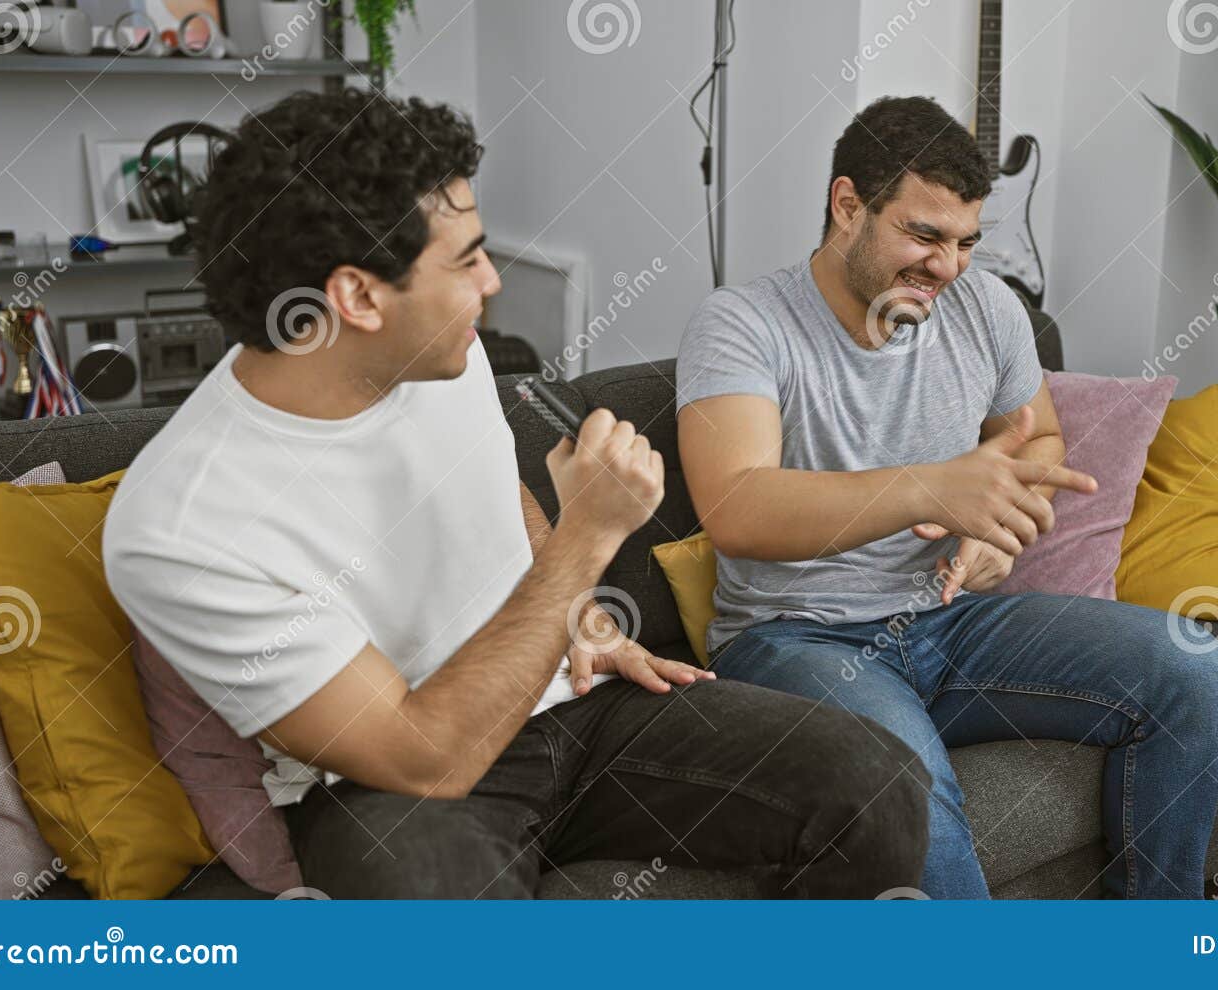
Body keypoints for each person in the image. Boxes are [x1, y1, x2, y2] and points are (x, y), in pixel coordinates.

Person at [103, 89, 930, 899]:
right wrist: (587, 540)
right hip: (393, 787)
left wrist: (590, 619)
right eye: (464, 261)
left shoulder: (443, 353)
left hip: (575, 704)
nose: (493, 281)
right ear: (356, 297)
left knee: (874, 782)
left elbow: (496, 492)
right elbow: (422, 755)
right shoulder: (179, 526)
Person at [675, 96, 1218, 899]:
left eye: (967, 242)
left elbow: (1036, 438)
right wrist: (929, 487)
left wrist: (999, 530)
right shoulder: (743, 325)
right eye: (924, 235)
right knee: (906, 783)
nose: (948, 267)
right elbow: (738, 508)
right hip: (796, 639)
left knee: (1190, 669)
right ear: (847, 207)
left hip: (948, 620)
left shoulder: (984, 309)